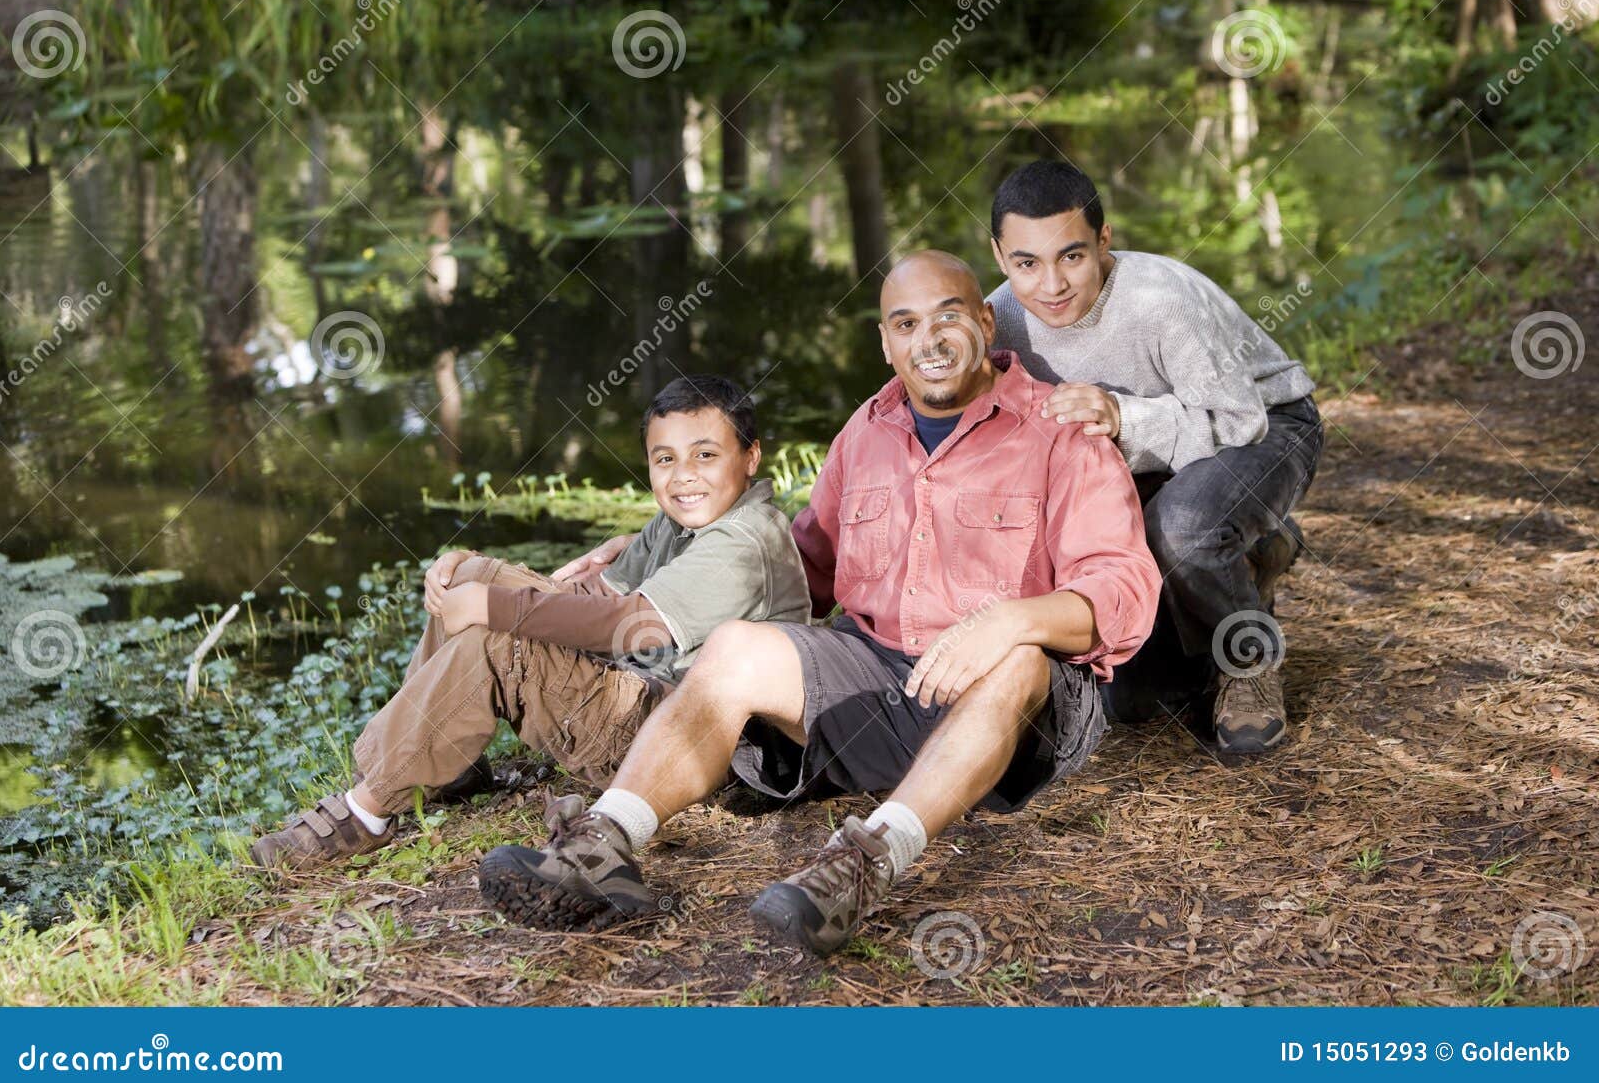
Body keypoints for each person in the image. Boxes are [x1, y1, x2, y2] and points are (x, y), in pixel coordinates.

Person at [474, 250, 1161, 954]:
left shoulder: (1058, 428)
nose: (929, 339)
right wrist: (664, 556)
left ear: (986, 322)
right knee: (737, 646)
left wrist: (1012, 620)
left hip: (1017, 717)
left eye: (948, 316)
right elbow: (801, 564)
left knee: (1018, 658)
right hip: (880, 684)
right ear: (886, 342)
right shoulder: (866, 431)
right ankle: (603, 846)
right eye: (906, 323)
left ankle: (864, 866)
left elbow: (1125, 589)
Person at [247, 375, 811, 869]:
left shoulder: (743, 542)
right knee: (475, 575)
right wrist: (474, 578)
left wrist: (493, 610)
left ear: (751, 457)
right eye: (665, 459)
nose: (683, 476)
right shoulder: (685, 520)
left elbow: (623, 624)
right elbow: (592, 594)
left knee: (499, 642)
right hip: (648, 694)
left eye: (705, 455)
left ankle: (366, 813)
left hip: (690, 740)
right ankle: (441, 765)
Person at [986, 159, 1324, 753]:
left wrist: (1123, 416)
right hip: (1155, 459)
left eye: (1071, 256)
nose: (1052, 285)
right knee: (1136, 700)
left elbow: (1239, 419)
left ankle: (1249, 660)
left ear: (1104, 240)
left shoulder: (1160, 299)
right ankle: (1253, 550)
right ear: (999, 256)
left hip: (1266, 426)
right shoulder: (998, 322)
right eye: (1027, 263)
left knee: (1183, 528)